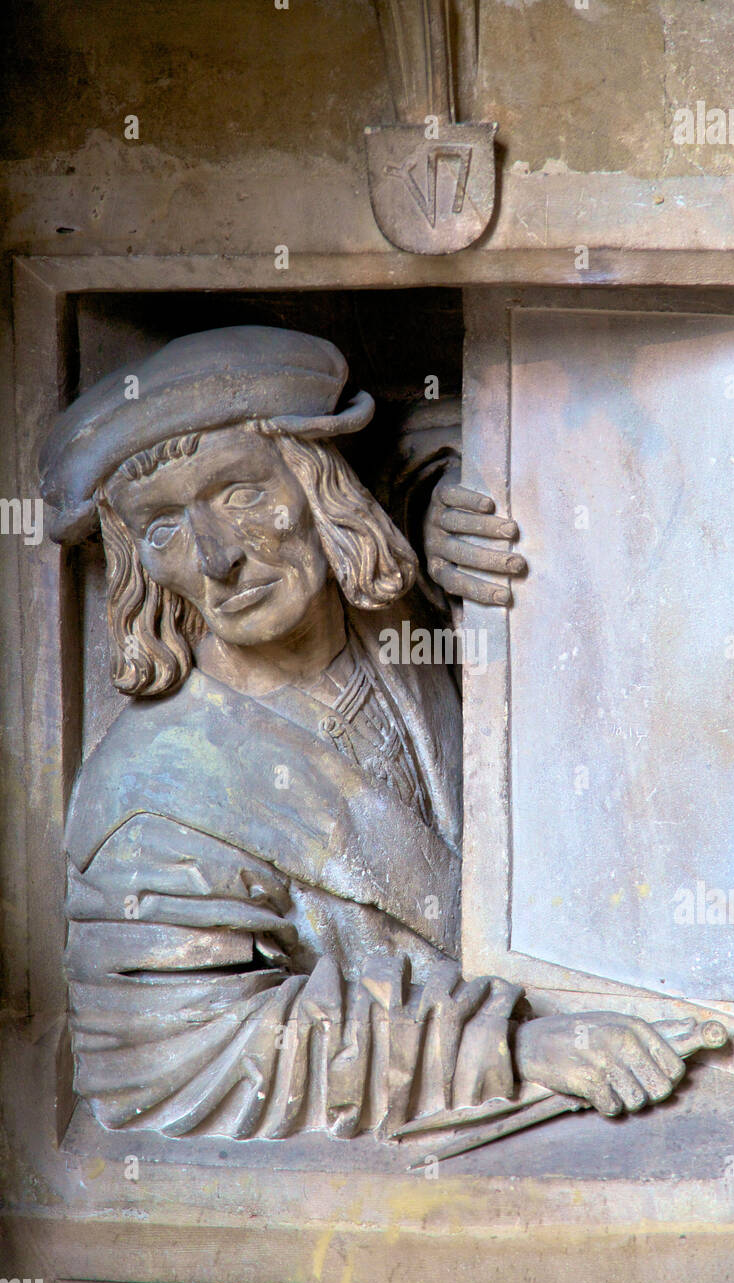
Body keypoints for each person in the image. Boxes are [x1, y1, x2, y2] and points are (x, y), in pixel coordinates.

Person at [39, 325, 687, 1144]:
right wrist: (508, 1052)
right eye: (163, 529)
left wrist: (440, 507)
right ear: (139, 567)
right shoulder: (151, 803)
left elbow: (442, 430)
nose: (218, 558)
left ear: (320, 487)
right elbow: (180, 1058)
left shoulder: (396, 624)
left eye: (240, 492)